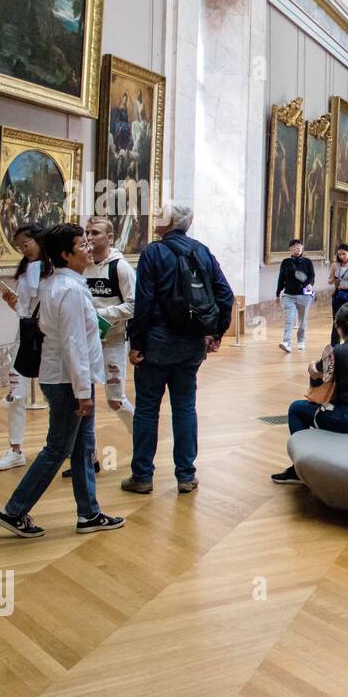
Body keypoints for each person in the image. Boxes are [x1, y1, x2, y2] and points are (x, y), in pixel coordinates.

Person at [0, 224, 124, 539]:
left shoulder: (61, 283)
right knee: (57, 448)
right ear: (66, 254)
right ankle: (14, 511)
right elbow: (73, 344)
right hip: (69, 382)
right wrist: (83, 393)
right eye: (82, 245)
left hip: (71, 379)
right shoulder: (68, 289)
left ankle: (88, 513)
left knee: (82, 447)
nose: (89, 248)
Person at [122, 203, 234, 495]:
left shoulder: (153, 252)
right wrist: (216, 332)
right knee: (184, 408)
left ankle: (142, 476)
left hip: (157, 343)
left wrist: (136, 343)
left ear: (171, 221)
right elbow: (225, 294)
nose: (156, 217)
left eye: (161, 214)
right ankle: (186, 475)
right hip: (192, 344)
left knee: (147, 409)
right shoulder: (202, 251)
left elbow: (144, 301)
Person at [271, 303, 348, 484]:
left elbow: (316, 374)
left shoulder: (339, 351)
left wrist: (311, 366)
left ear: (338, 327)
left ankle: (300, 469)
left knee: (296, 409)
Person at [0, 226, 45, 471]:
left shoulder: (53, 270)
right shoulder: (26, 269)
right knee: (17, 392)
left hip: (48, 337)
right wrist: (12, 303)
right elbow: (25, 310)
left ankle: (62, 445)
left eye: (27, 244)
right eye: (19, 246)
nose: (23, 249)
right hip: (25, 335)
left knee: (55, 392)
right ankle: (15, 449)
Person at [83, 216, 137, 434]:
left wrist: (100, 314)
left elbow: (134, 306)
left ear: (110, 237)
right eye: (87, 232)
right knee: (83, 399)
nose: (89, 237)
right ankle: (88, 451)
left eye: (95, 232)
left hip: (112, 340)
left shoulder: (120, 267)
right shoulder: (83, 266)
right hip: (86, 340)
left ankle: (142, 442)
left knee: (115, 400)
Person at [276, 239, 315, 353]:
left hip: (304, 296)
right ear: (290, 249)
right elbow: (281, 278)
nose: (298, 249)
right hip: (289, 295)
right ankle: (287, 342)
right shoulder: (286, 262)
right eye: (295, 247)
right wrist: (278, 293)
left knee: (302, 321)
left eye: (300, 247)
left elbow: (312, 276)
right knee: (289, 319)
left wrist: (310, 284)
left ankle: (301, 340)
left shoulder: (308, 262)